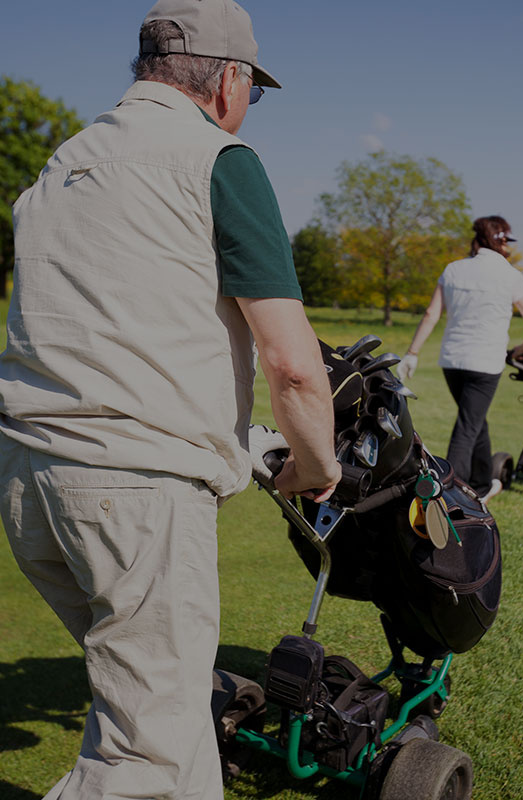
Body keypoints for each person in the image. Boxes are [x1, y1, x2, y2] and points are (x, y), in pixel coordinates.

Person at [0, 1, 340, 798]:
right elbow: (293, 365)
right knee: (140, 761)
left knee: (170, 712)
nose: (249, 101)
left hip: (27, 479)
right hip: (133, 492)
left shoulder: (64, 160)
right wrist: (314, 465)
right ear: (228, 79)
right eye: (253, 84)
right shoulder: (222, 160)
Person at [397, 216, 523, 502]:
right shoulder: (510, 275)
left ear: (476, 241)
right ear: (504, 243)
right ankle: (449, 497)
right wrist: (521, 349)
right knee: (468, 426)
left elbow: (431, 314)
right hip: (485, 364)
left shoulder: (453, 269)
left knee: (474, 419)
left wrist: (412, 353)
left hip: (452, 362)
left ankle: (480, 483)